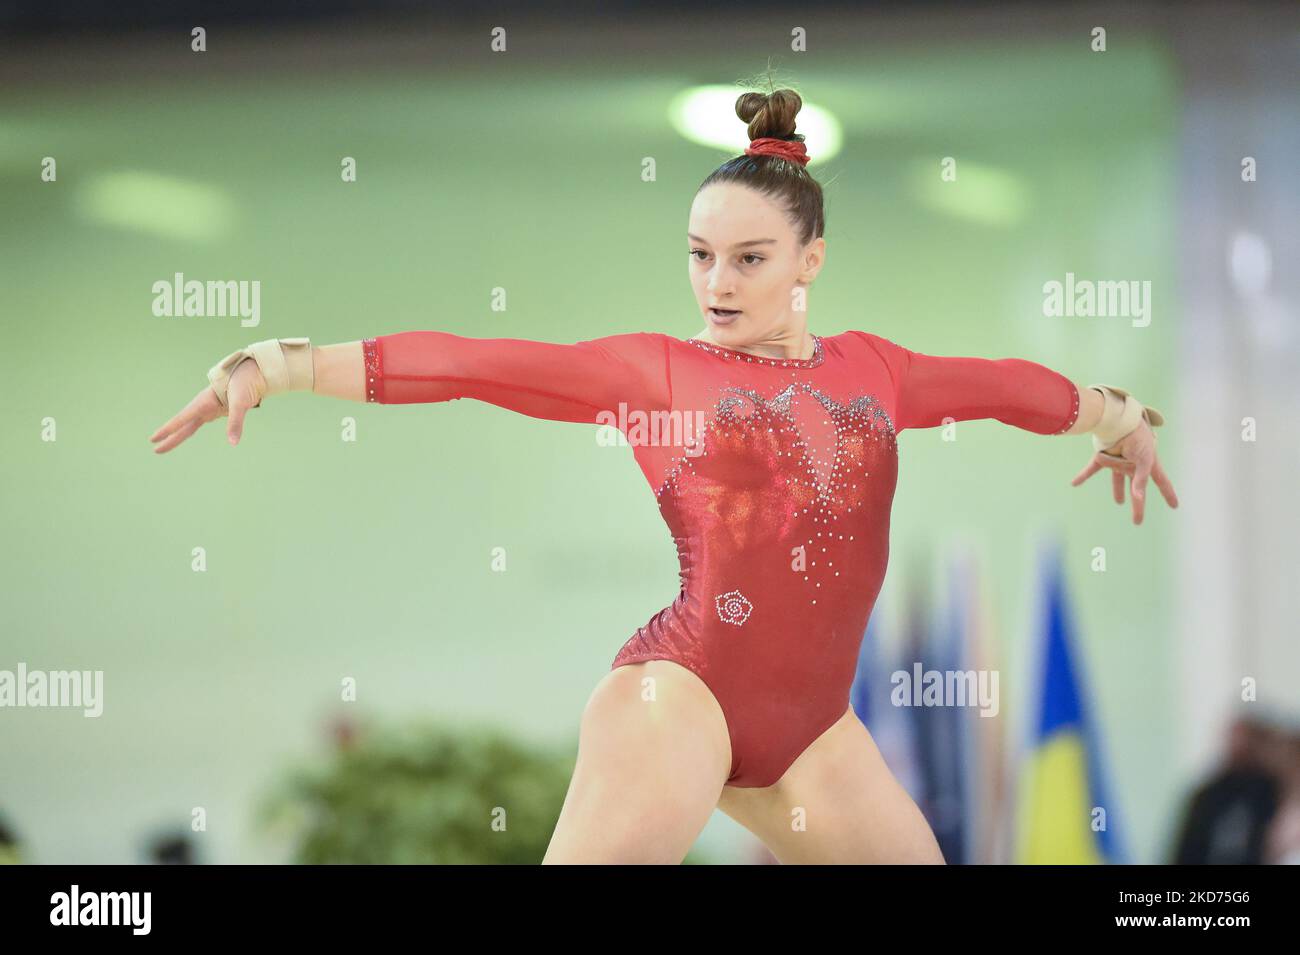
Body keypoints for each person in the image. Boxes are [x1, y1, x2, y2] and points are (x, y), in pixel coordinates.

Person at [149, 87, 1178, 864]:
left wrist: (1119, 417)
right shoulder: (660, 370)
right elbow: (474, 366)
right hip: (680, 694)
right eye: (699, 255)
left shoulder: (877, 370)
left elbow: (1002, 385)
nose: (716, 283)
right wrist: (279, 365)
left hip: (815, 730)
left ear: (810, 259)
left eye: (749, 259)